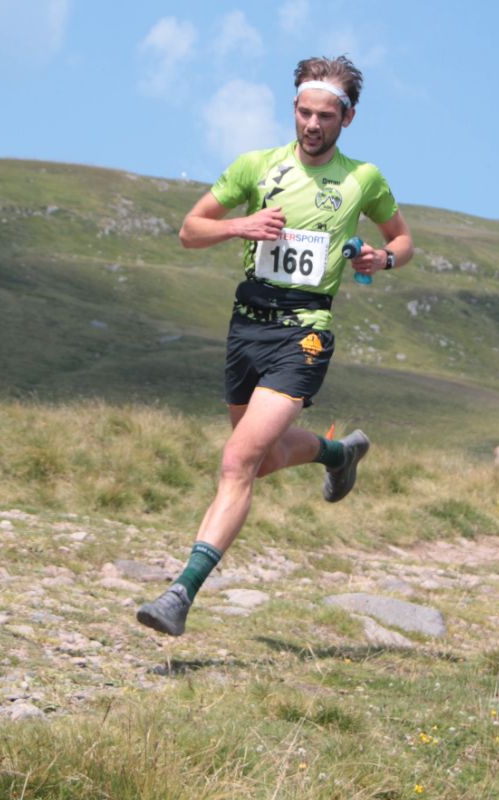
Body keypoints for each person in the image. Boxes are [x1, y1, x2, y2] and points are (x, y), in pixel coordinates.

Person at [137, 55, 413, 637]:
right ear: (293, 108)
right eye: (304, 113)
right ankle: (337, 454)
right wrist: (239, 225)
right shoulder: (255, 167)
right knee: (258, 461)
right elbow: (190, 230)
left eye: (326, 116)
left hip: (305, 330)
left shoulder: (363, 179)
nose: (312, 125)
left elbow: (402, 239)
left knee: (236, 461)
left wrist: (381, 259)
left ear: (347, 118)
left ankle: (180, 594)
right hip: (247, 327)